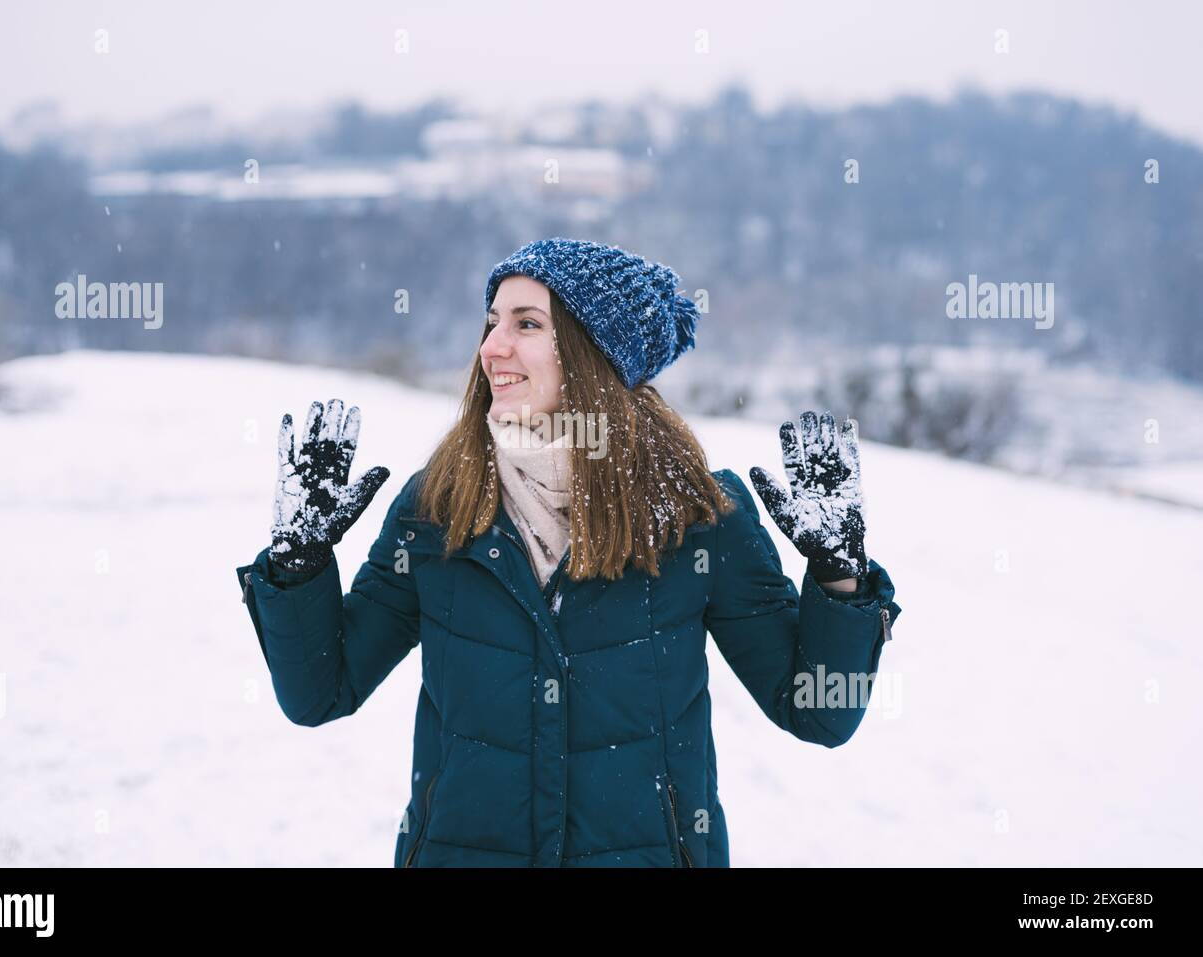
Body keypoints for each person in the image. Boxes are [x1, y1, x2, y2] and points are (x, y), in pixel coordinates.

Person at [234, 237, 902, 867]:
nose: (492, 347)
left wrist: (840, 577)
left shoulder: (698, 517)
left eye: (526, 324)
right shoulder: (436, 507)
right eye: (492, 321)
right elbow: (320, 691)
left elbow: (819, 712)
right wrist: (299, 563)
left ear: (592, 353)